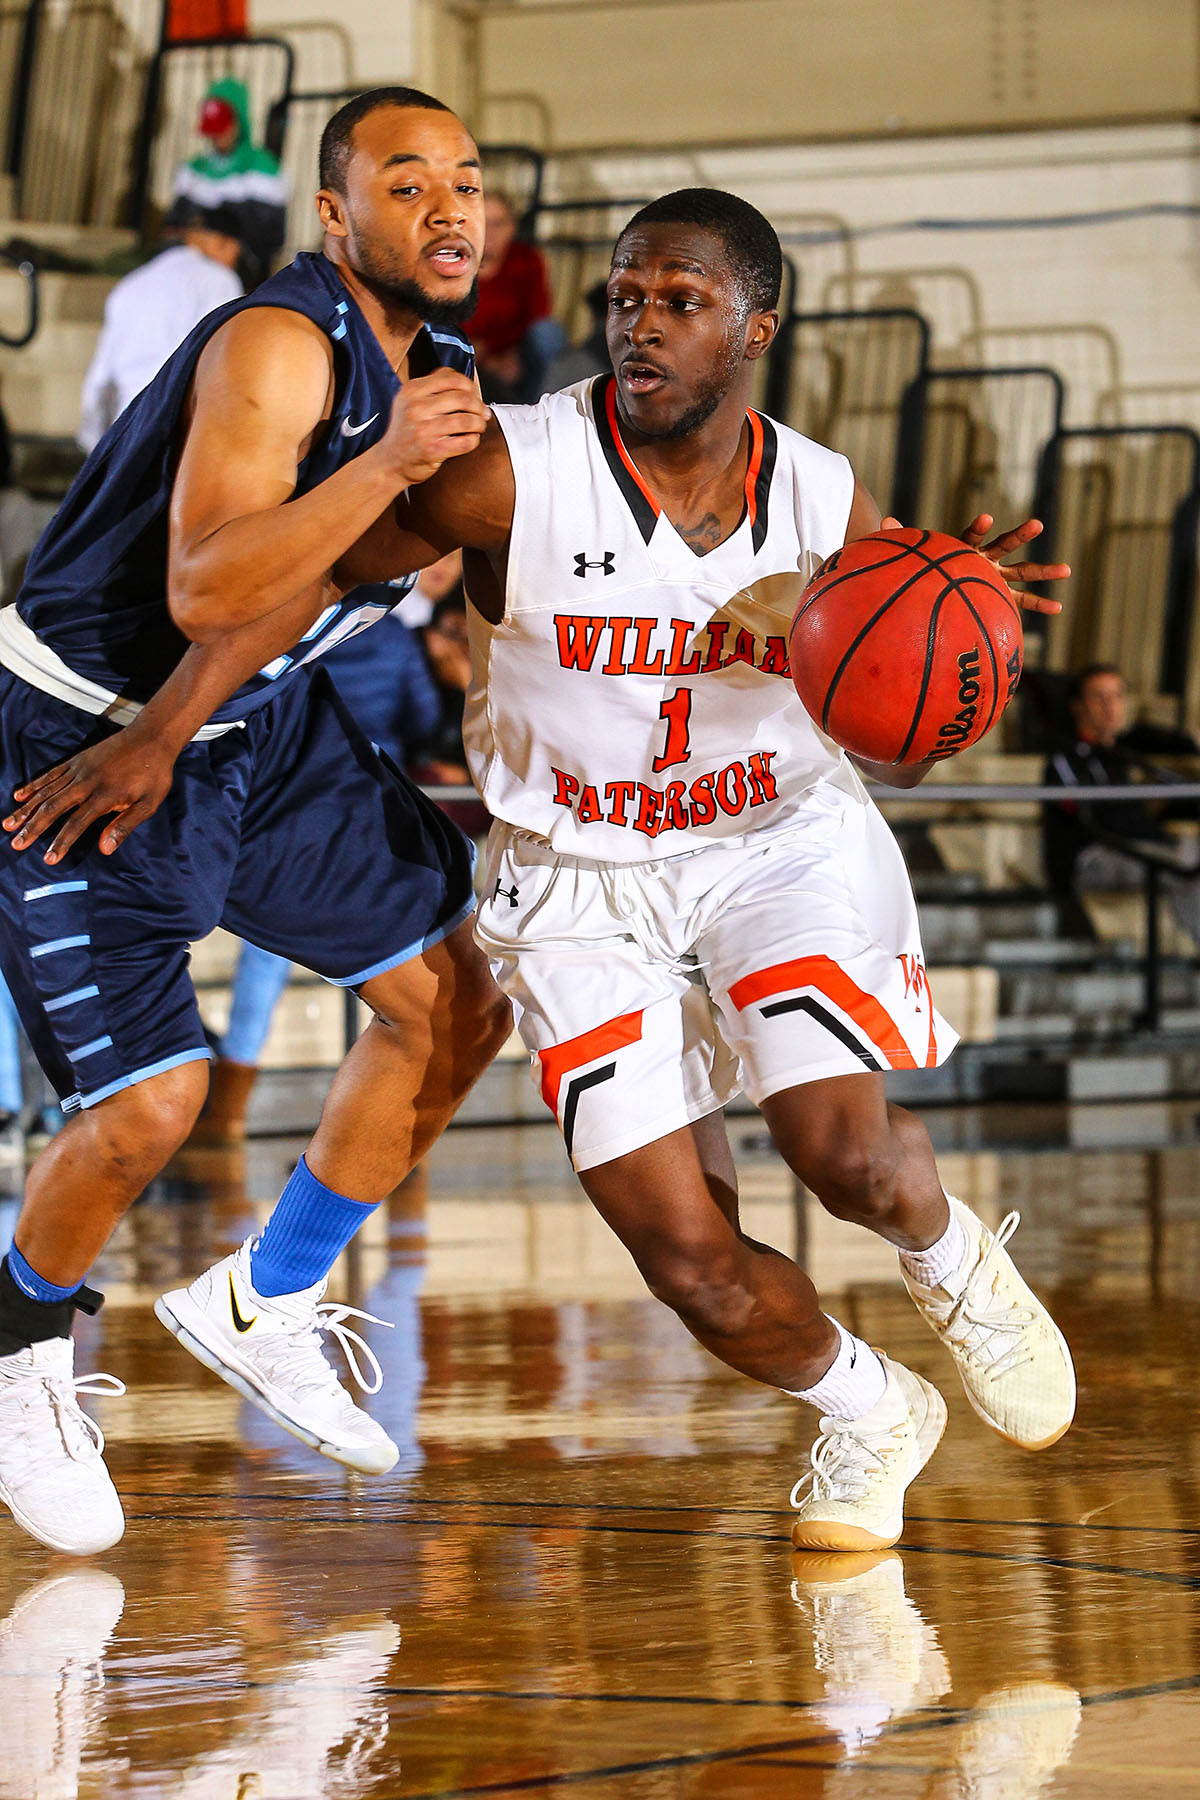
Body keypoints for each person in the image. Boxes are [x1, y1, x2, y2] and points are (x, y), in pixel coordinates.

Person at [9, 188, 1074, 1555]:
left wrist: (939, 665)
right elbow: (306, 590)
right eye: (625, 298)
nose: (640, 327)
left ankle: (951, 1267)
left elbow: (907, 762)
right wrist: (160, 730)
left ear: (756, 324)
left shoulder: (823, 498)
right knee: (690, 1261)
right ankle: (872, 1410)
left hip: (771, 843)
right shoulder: (509, 469)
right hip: (573, 873)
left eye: (678, 303)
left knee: (844, 1153)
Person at [0, 86, 511, 1557]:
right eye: (405, 182)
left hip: (234, 728)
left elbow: (322, 590)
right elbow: (209, 590)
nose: (449, 207)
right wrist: (387, 462)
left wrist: (180, 726)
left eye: (466, 181)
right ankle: (24, 1346)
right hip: (70, 732)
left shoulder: (441, 380)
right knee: (150, 1107)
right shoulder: (280, 345)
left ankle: (270, 1297)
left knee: (453, 1002)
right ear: (334, 217)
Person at [1043, 661, 1200, 944]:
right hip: (1090, 858)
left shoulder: (1121, 754)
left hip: (1132, 846)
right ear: (1077, 705)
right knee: (1184, 866)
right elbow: (1099, 819)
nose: (1110, 705)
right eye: (1099, 696)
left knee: (1189, 857)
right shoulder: (1065, 756)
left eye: (1117, 696)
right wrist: (1163, 842)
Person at [77, 206, 244, 454]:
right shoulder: (218, 280)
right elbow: (221, 360)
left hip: (123, 426)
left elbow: (101, 371)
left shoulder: (133, 282)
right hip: (175, 427)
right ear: (222, 242)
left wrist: (95, 440)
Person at [166, 79, 289, 285]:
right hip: (187, 266)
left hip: (236, 274)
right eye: (212, 129)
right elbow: (174, 224)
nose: (217, 136)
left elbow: (268, 236)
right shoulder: (193, 168)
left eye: (223, 127)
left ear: (239, 121)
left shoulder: (263, 167)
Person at [464, 191, 564, 403]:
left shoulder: (527, 260)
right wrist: (480, 353)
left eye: (498, 224)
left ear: (512, 228)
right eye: (483, 222)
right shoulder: (454, 258)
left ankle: (536, 411)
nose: (489, 232)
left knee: (549, 333)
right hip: (465, 352)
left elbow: (538, 313)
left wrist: (507, 353)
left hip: (515, 355)